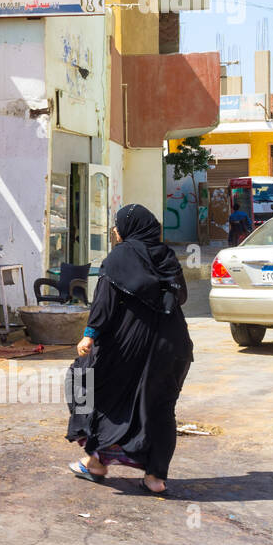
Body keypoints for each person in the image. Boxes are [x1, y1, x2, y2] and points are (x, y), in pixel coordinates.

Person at [66, 203, 194, 496]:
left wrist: (89, 334)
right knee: (159, 408)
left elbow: (104, 303)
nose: (114, 230)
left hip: (127, 346)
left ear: (127, 227)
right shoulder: (166, 255)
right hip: (172, 345)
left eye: (117, 224)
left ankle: (96, 464)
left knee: (86, 384)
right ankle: (155, 478)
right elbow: (180, 297)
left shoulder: (119, 257)